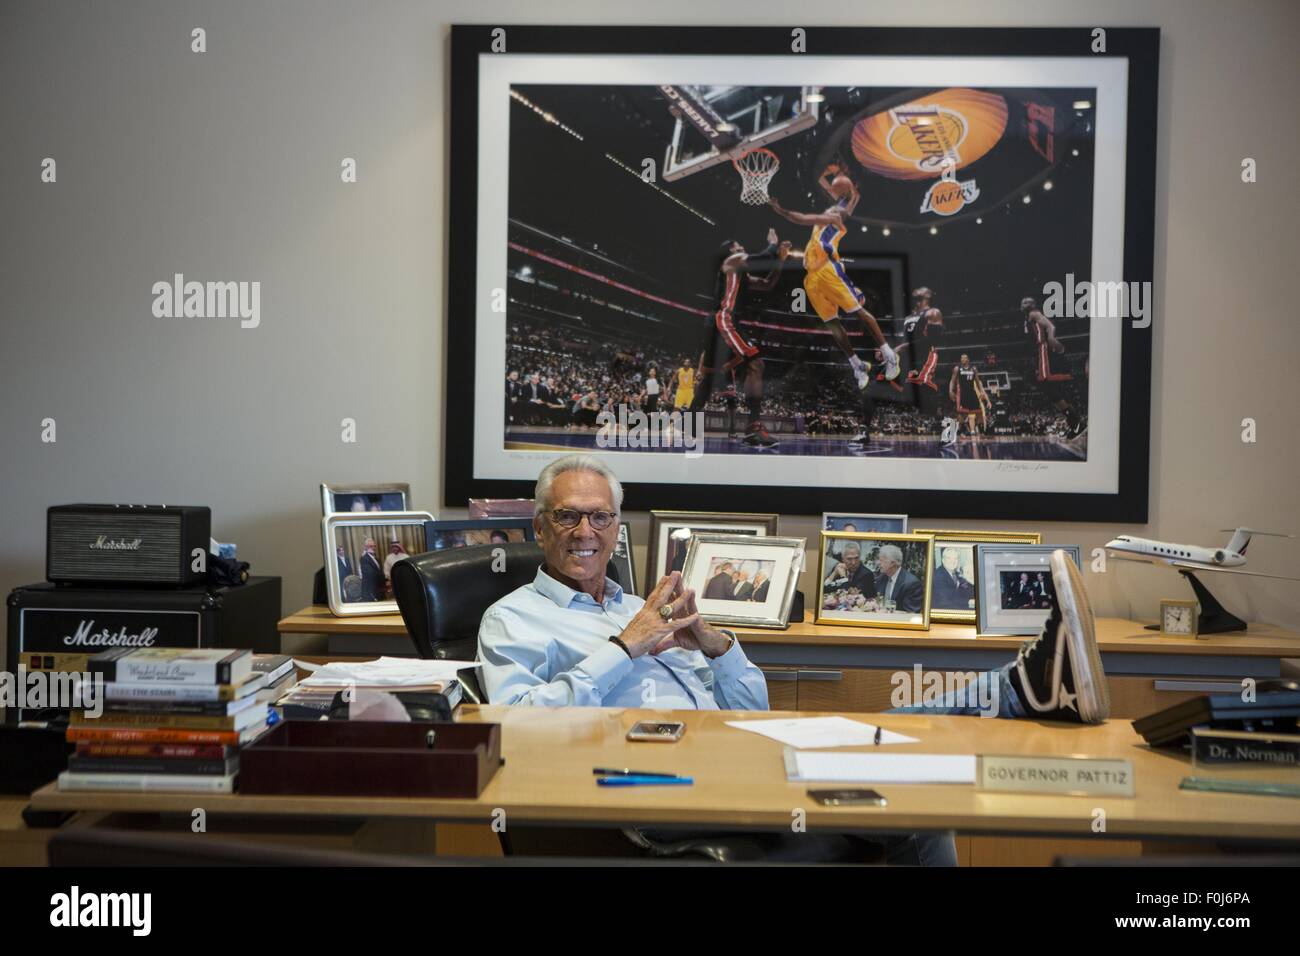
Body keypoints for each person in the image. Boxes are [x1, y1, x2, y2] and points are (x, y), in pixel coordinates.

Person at [478, 455, 1112, 865]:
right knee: (889, 756)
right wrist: (624, 648)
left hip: (734, 759)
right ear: (538, 527)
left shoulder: (643, 603)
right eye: (568, 516)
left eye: (600, 516)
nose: (585, 530)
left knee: (913, 797)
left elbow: (754, 707)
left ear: (617, 526)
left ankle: (1024, 687)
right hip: (646, 788)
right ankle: (1020, 688)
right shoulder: (512, 618)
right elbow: (517, 727)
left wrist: (717, 646)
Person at [767, 168, 900, 388]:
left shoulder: (835, 214)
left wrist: (781, 210)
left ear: (845, 190)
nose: (830, 189)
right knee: (832, 324)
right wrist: (834, 171)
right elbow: (823, 180)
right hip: (811, 277)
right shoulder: (838, 205)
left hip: (828, 269)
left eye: (837, 187)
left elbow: (802, 219)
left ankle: (889, 354)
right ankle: (857, 364)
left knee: (858, 311)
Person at [691, 229, 790, 449]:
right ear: (731, 250)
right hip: (725, 319)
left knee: (708, 378)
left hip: (717, 323)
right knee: (756, 363)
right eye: (738, 245)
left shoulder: (738, 273)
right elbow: (762, 258)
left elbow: (766, 285)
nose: (742, 248)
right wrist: (772, 245)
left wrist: (780, 262)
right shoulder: (731, 260)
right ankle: (753, 428)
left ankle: (687, 421)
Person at [903, 286, 944, 391]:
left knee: (923, 386)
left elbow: (933, 339)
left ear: (928, 296)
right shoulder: (908, 317)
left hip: (924, 356)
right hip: (908, 357)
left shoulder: (933, 313)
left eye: (921, 290)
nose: (917, 290)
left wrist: (903, 346)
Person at [874, 544, 924, 613]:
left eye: (881, 560)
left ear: (892, 563)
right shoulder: (880, 579)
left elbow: (911, 613)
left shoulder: (911, 584)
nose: (878, 563)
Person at [949, 353, 988, 440]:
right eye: (961, 358)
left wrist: (981, 392)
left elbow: (978, 382)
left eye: (964, 358)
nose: (962, 359)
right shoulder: (957, 368)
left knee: (979, 412)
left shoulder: (973, 368)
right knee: (961, 414)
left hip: (972, 393)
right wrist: (950, 391)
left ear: (968, 359)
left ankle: (982, 432)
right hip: (962, 393)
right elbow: (952, 381)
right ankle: (962, 432)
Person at [932, 546, 974, 610]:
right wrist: (968, 602)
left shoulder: (956, 574)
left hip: (958, 608)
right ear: (943, 560)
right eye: (949, 558)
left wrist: (972, 581)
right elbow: (946, 601)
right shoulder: (938, 576)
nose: (953, 561)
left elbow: (965, 588)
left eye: (955, 558)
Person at [358, 537, 386, 602]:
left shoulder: (377, 559)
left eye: (374, 546)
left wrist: (385, 579)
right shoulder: (364, 558)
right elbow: (371, 574)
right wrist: (383, 577)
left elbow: (380, 571)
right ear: (366, 547)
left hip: (378, 589)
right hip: (370, 591)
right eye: (371, 546)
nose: (373, 548)